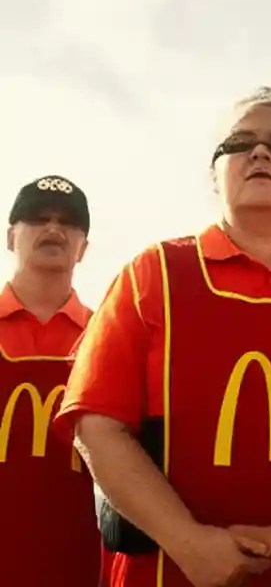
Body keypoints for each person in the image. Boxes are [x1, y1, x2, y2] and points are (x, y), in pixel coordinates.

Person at [52, 87, 271, 587]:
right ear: (214, 174)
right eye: (239, 143)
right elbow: (97, 424)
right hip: (165, 572)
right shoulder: (152, 274)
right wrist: (189, 544)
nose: (260, 152)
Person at [1, 175, 100, 586]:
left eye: (69, 222)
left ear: (84, 247)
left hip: (78, 560)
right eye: (38, 218)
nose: (54, 229)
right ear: (10, 237)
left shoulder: (107, 339)